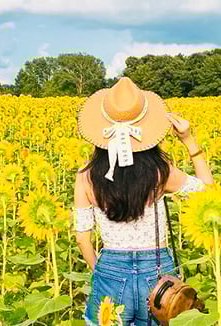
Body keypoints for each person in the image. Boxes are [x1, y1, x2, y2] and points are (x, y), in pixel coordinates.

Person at [73, 77, 213, 325]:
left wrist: (102, 272)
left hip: (110, 269)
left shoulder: (86, 176)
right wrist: (189, 141)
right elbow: (208, 193)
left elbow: (83, 238)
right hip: (157, 274)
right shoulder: (160, 172)